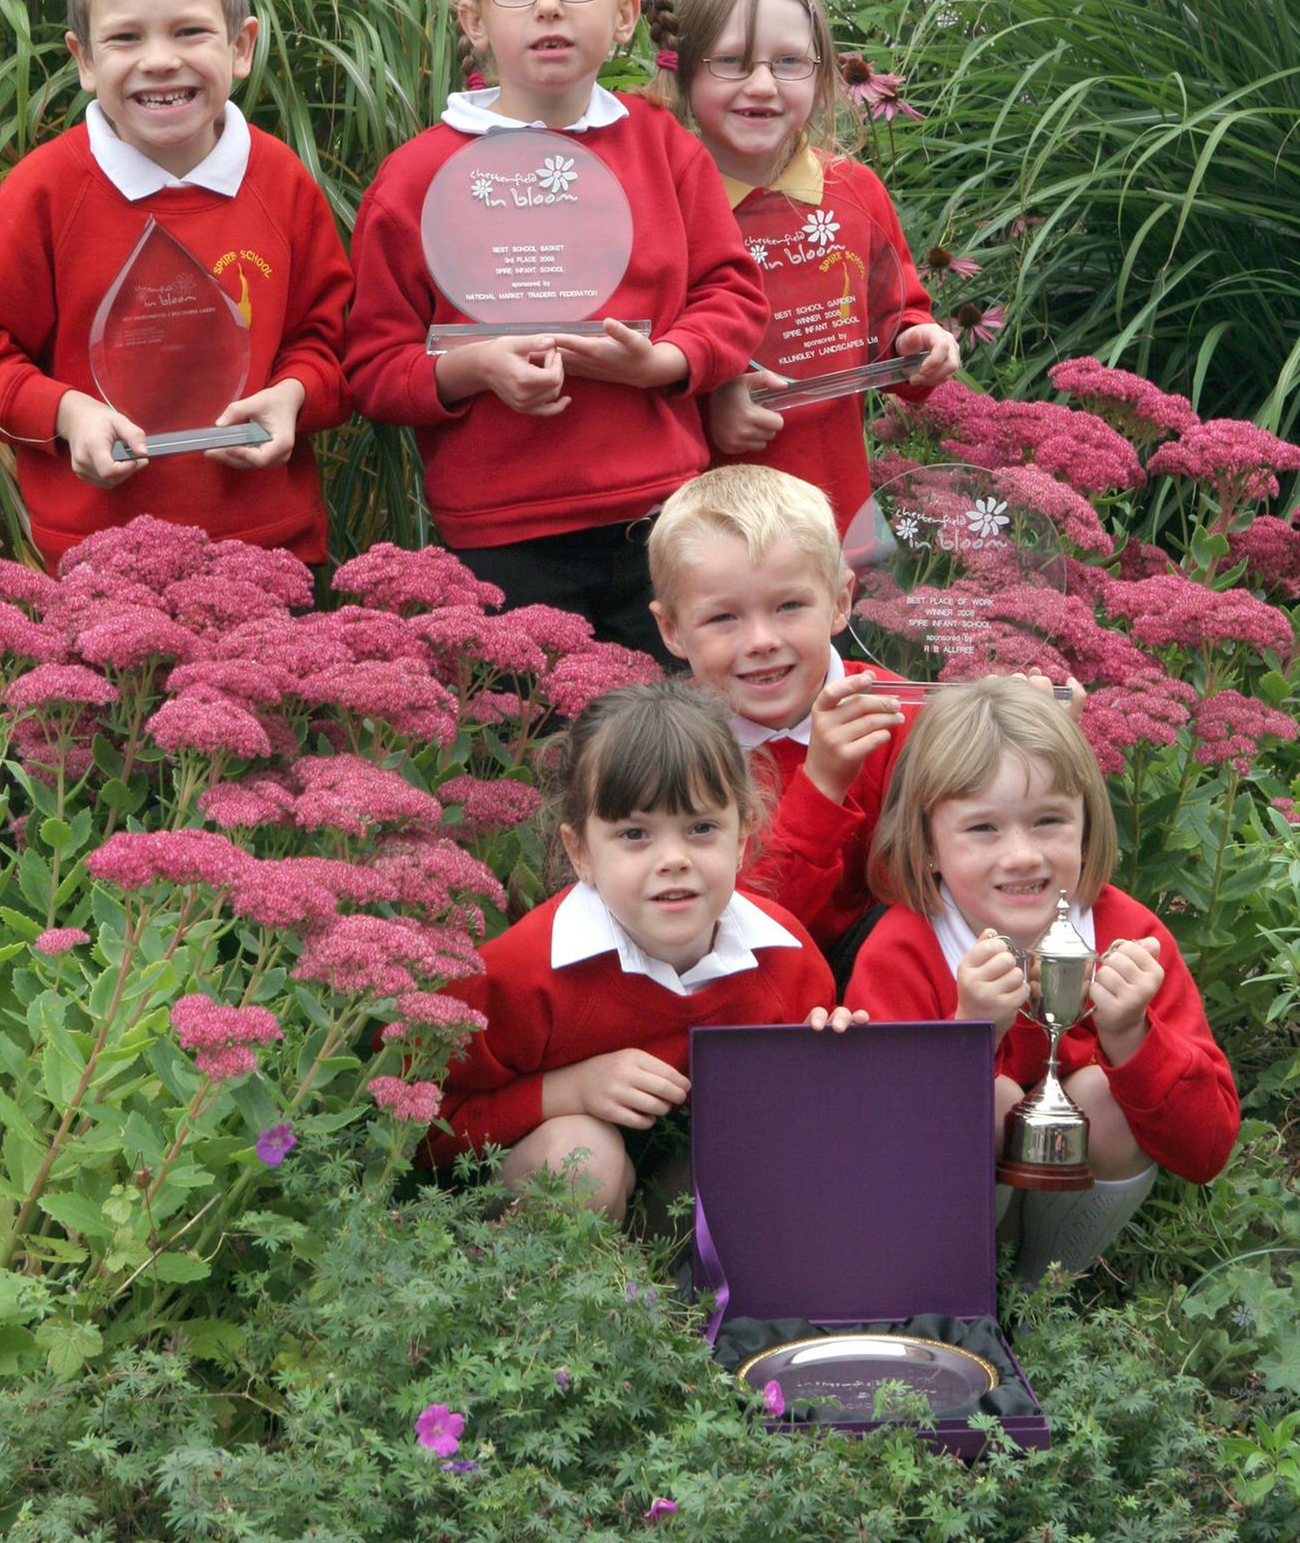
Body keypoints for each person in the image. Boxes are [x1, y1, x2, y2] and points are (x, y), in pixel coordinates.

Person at [344, 0, 768, 657]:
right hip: (502, 536)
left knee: (672, 751)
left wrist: (665, 364)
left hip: (660, 515)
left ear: (625, 17)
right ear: (473, 22)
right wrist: (469, 370)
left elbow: (731, 293)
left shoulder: (663, 149)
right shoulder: (415, 179)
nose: (548, 7)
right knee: (526, 748)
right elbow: (372, 367)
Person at [0, 0, 352, 573]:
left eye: (189, 31)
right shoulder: (47, 191)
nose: (159, 60)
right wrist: (65, 413)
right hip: (95, 561)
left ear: (240, 45)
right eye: (124, 38)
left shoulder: (281, 182)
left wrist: (293, 397)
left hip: (268, 552)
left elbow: (330, 341)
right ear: (83, 60)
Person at [848, 677, 1240, 1281]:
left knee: (1102, 1100)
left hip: (1073, 1198)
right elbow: (873, 1148)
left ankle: (1043, 1299)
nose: (1022, 856)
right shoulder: (903, 949)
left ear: (1087, 824)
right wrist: (967, 1034)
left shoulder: (1131, 936)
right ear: (927, 844)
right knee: (994, 1100)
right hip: (924, 1225)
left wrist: (1134, 1038)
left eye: (1049, 820)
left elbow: (1207, 1149)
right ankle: (963, 1295)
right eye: (983, 828)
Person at [423, 681, 845, 1220]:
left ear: (742, 839)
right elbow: (422, 1126)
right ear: (581, 854)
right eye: (634, 835)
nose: (673, 859)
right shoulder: (522, 972)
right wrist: (569, 1090)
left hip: (695, 1199)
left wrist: (832, 1056)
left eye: (701, 828)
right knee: (583, 1159)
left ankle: (696, 1289)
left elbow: (818, 1118)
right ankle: (553, 1296)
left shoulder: (785, 959)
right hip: (548, 1184)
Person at [645, 0, 958, 536]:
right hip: (710, 526)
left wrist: (920, 346)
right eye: (731, 61)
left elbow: (896, 320)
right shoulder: (665, 209)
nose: (761, 85)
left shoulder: (854, 193)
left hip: (837, 509)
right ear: (683, 70)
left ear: (820, 74)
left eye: (788, 63)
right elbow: (639, 367)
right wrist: (711, 400)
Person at [648, 463, 913, 968]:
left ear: (839, 603)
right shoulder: (668, 751)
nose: (761, 642)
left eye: (789, 605)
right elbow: (729, 932)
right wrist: (821, 785)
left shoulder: (903, 716)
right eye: (723, 617)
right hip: (744, 992)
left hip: (898, 992)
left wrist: (1034, 744)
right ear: (672, 629)